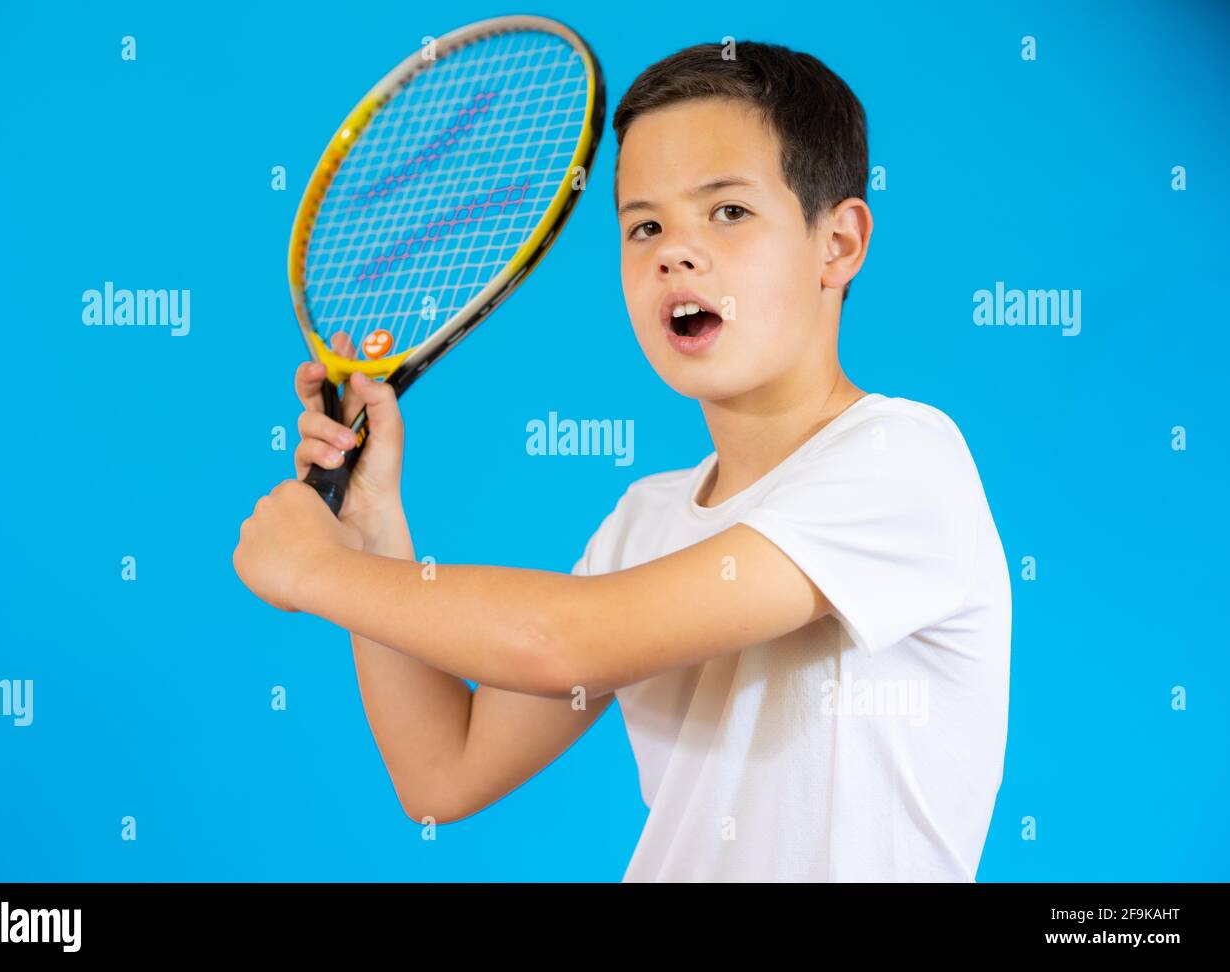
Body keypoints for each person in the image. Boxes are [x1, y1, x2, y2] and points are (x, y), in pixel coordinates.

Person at [233, 41, 1012, 882]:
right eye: (644, 225)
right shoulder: (645, 518)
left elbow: (560, 641)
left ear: (839, 243)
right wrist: (372, 529)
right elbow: (443, 772)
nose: (674, 252)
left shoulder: (903, 460)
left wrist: (315, 572)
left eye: (728, 212)